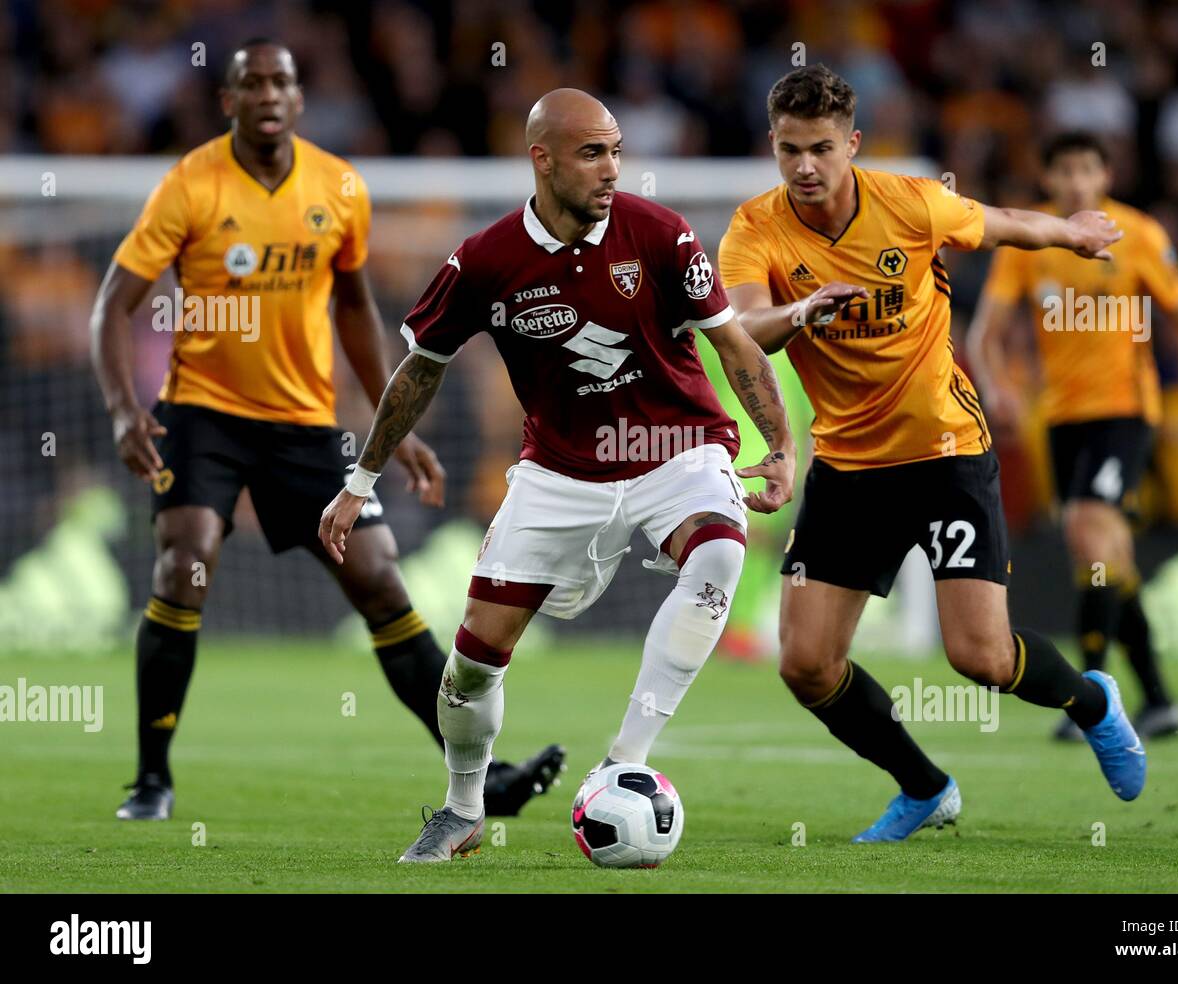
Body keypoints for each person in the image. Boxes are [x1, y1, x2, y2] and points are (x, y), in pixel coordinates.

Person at [318, 88, 797, 864]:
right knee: (469, 669)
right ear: (541, 159)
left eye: (615, 150)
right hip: (559, 473)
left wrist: (778, 446)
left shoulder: (661, 235)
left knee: (718, 553)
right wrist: (361, 479)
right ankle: (463, 806)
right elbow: (421, 369)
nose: (613, 168)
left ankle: (625, 761)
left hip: (678, 447)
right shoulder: (485, 259)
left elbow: (734, 345)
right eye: (592, 153)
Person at [90, 39, 563, 822]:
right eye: (252, 82)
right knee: (184, 564)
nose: (270, 93)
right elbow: (114, 303)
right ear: (230, 101)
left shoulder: (338, 186)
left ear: (299, 99)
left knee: (380, 579)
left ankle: (483, 778)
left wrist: (391, 423)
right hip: (202, 414)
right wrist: (119, 409)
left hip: (306, 425)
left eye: (283, 80)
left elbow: (352, 306)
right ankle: (151, 779)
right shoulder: (190, 184)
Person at [718, 65, 1145, 843]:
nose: (805, 167)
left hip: (945, 451)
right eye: (788, 151)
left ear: (853, 144)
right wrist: (803, 311)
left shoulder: (910, 203)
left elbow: (1006, 220)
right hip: (848, 466)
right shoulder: (755, 227)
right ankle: (924, 787)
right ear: (772, 147)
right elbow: (746, 328)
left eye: (820, 148)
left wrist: (1073, 232)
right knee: (805, 663)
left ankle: (1093, 703)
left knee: (979, 657)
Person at [969, 130, 1178, 740]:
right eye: (1065, 171)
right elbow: (986, 333)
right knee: (1105, 555)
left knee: (1088, 528)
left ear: (1106, 176)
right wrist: (998, 385)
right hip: (1059, 420)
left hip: (1126, 413)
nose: (1078, 181)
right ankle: (1160, 699)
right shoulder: (1028, 242)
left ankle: (1088, 701)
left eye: (1088, 169)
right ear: (1049, 179)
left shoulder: (1139, 236)